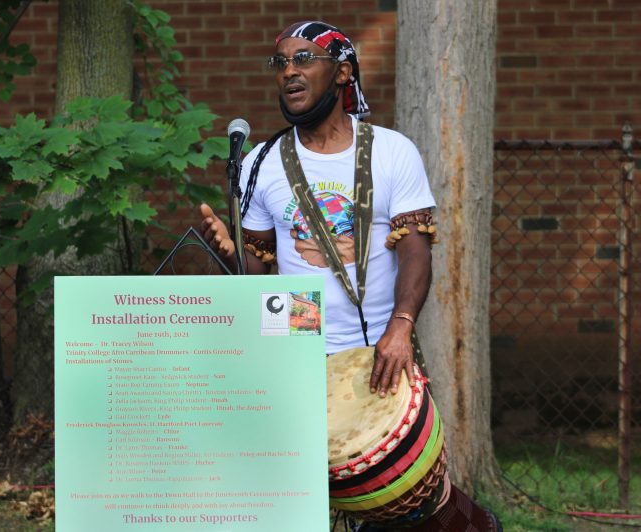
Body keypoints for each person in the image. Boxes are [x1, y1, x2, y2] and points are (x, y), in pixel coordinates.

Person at [199, 20, 501, 531]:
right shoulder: (260, 164)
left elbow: (416, 251)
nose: (289, 72)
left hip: (380, 352)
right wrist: (229, 254)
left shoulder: (389, 151)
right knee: (293, 503)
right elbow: (259, 278)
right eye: (282, 63)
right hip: (297, 347)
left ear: (341, 73)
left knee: (407, 503)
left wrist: (401, 327)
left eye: (304, 59)